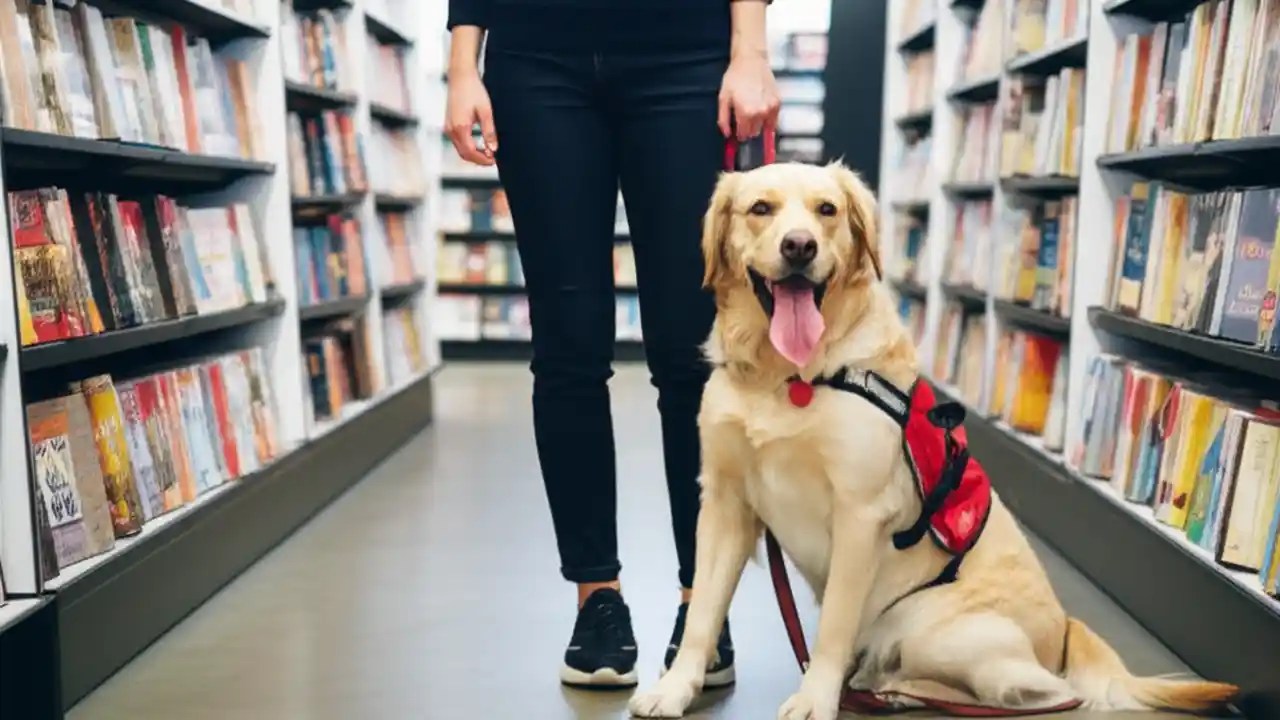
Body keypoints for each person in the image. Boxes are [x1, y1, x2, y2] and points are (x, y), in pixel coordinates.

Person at [445, 0, 779, 689]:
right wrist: (461, 65)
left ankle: (703, 606)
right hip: (534, 56)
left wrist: (751, 51)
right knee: (568, 345)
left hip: (686, 53)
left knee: (691, 347)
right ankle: (596, 597)